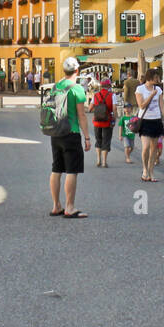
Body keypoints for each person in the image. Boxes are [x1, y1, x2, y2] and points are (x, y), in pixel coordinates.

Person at [49, 58, 91, 218]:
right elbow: (81, 115)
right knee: (72, 171)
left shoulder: (56, 86)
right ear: (77, 71)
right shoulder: (77, 88)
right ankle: (69, 207)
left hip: (56, 132)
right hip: (71, 133)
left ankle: (55, 205)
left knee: (56, 169)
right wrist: (87, 137)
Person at [135, 67, 164, 183]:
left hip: (156, 120)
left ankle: (151, 171)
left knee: (154, 148)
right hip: (145, 120)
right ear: (150, 78)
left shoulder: (158, 89)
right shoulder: (140, 89)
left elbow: (162, 106)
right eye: (156, 77)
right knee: (146, 147)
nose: (158, 79)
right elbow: (141, 106)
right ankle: (144, 169)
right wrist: (151, 95)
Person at [89, 79, 114, 167]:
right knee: (106, 141)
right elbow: (114, 109)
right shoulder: (112, 95)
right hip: (107, 121)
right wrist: (114, 118)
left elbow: (90, 108)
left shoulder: (95, 95)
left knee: (98, 140)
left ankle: (98, 160)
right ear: (109, 86)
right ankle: (104, 162)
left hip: (97, 121)